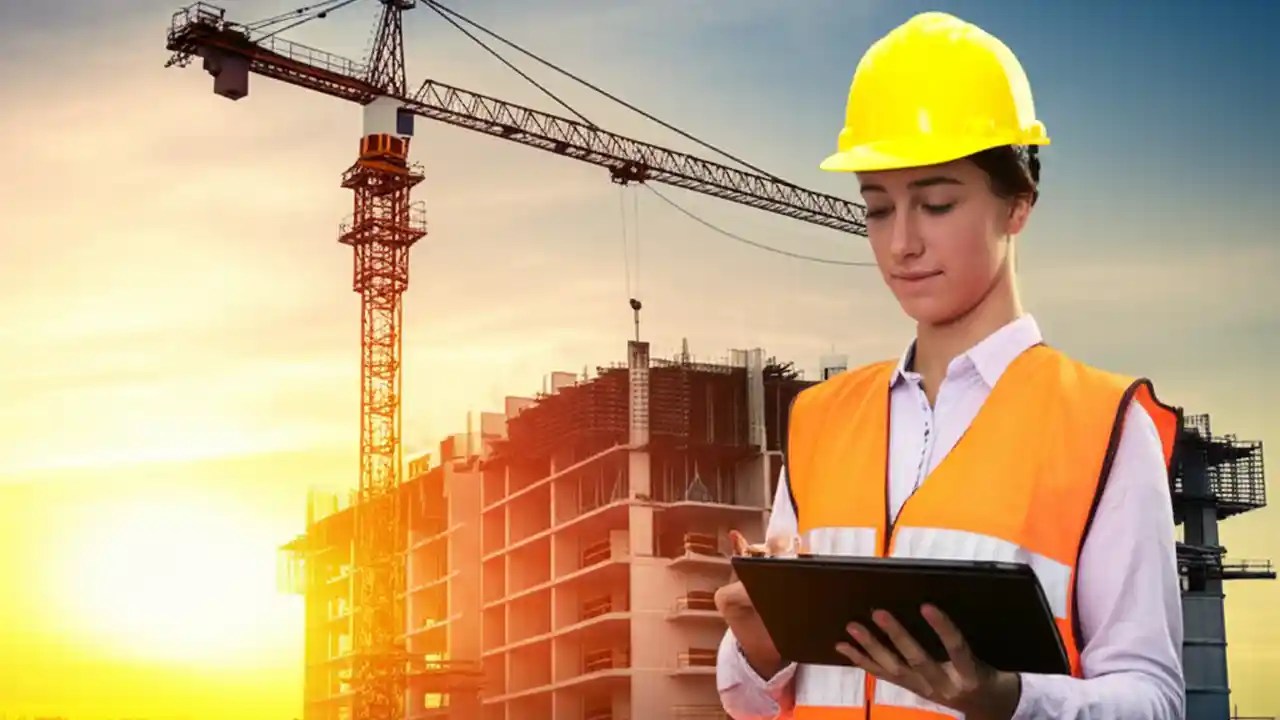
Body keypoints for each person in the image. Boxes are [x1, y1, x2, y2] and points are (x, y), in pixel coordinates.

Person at [714, 11, 1185, 720]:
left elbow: (1155, 700)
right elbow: (757, 704)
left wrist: (1009, 700)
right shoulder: (821, 421)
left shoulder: (1102, 428)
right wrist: (758, 645)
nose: (901, 242)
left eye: (935, 203)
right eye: (876, 209)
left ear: (1018, 202)